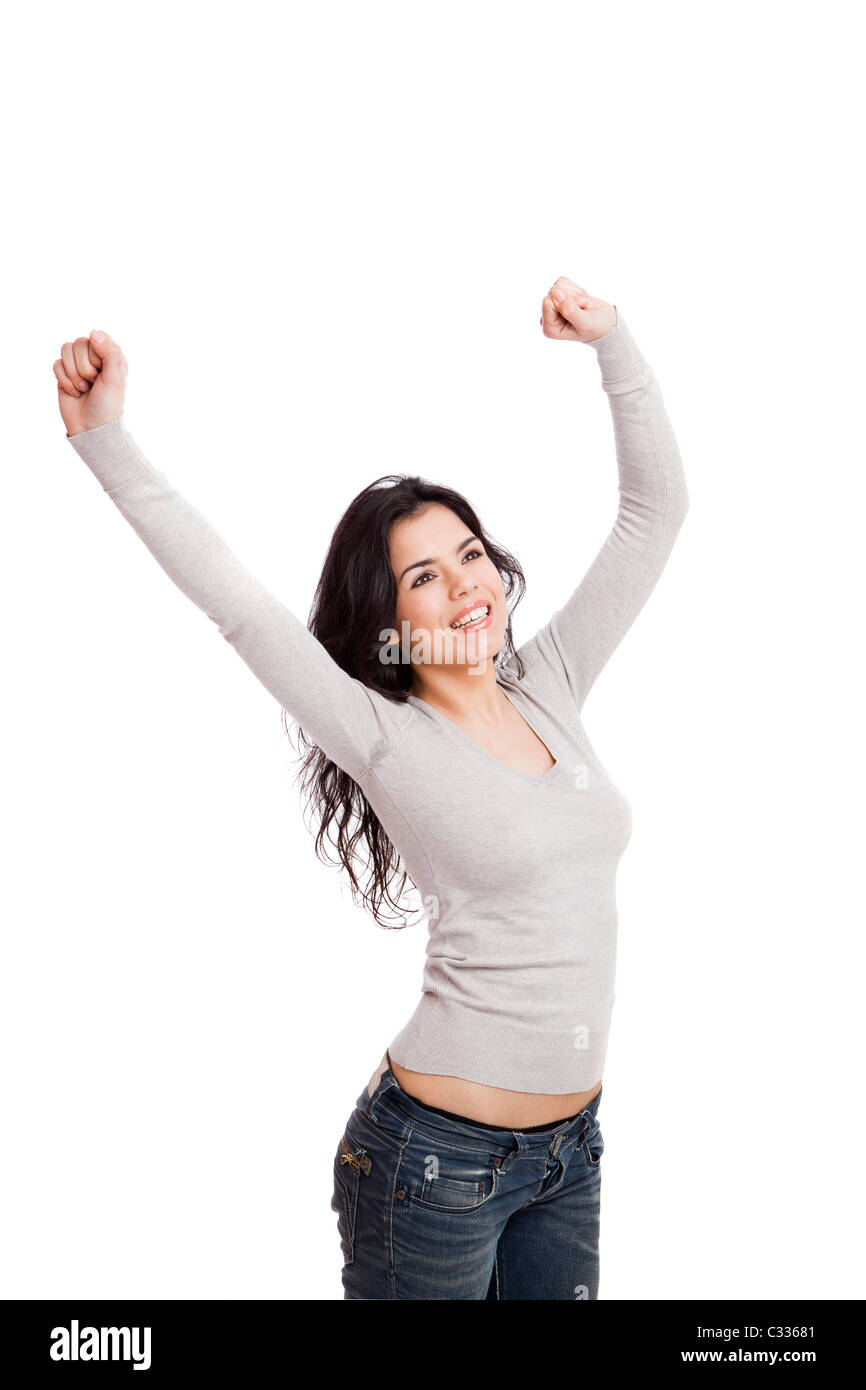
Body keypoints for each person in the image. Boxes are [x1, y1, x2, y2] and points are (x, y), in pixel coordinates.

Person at [53, 277, 689, 1299]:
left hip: (569, 1156)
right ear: (386, 612)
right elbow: (241, 608)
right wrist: (105, 439)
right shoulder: (382, 732)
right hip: (428, 1165)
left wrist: (610, 340)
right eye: (424, 575)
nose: (465, 583)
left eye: (468, 553)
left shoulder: (551, 685)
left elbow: (653, 514)